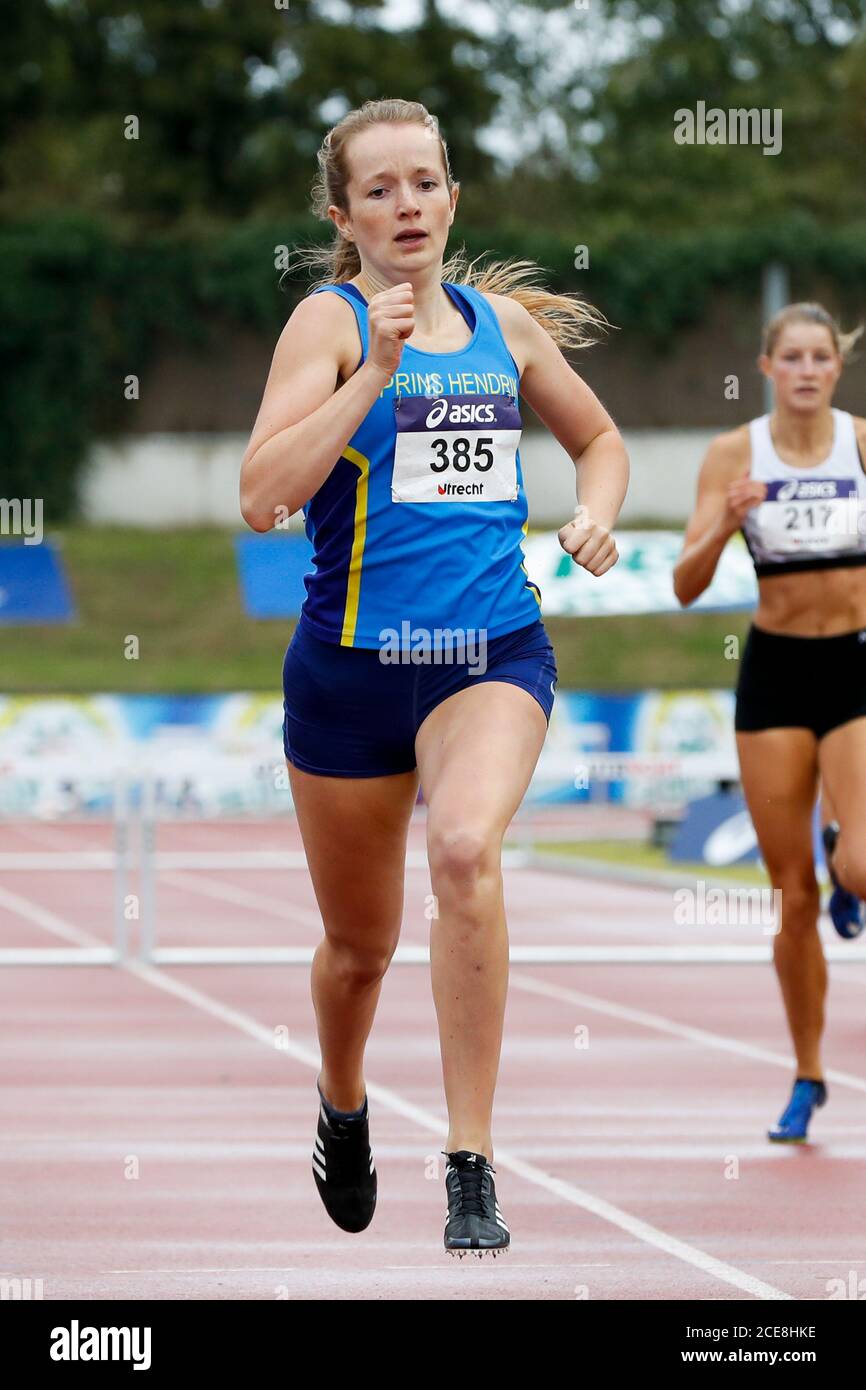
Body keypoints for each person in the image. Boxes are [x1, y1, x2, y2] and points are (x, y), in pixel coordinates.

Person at [239, 98, 628, 1253]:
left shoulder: (504, 328)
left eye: (424, 181)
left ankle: (468, 1162)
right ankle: (342, 1104)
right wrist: (374, 377)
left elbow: (598, 440)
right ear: (342, 213)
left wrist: (593, 515)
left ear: (452, 194)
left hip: (488, 656)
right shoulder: (330, 323)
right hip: (350, 676)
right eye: (379, 188)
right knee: (357, 952)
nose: (405, 204)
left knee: (463, 852)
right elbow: (262, 496)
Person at [674, 301, 866, 1143]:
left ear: (838, 366)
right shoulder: (731, 454)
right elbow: (685, 582)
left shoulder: (862, 444)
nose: (807, 371)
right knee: (793, 898)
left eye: (821, 357)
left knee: (859, 864)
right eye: (791, 357)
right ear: (766, 367)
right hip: (777, 676)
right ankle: (808, 1073)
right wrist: (728, 515)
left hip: (856, 667)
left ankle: (846, 858)